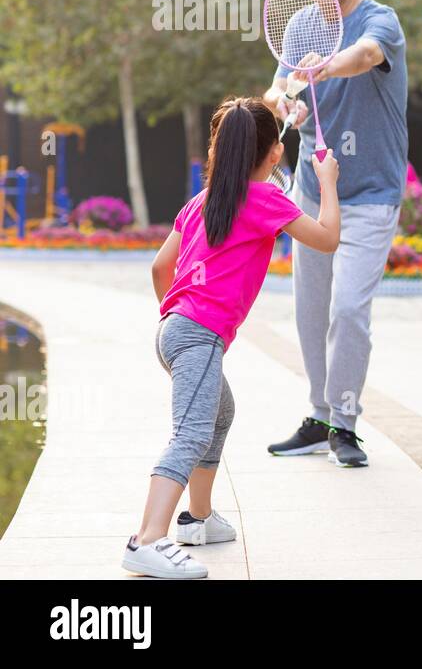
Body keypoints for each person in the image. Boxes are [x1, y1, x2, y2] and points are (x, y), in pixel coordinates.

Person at [123, 98, 339, 578]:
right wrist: (327, 183)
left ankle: (197, 519)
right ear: (273, 154)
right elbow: (326, 238)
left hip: (174, 330)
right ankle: (146, 540)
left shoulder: (200, 202)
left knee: (220, 412)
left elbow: (161, 266)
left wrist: (178, 316)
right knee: (191, 433)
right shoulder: (265, 200)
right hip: (196, 336)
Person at [264, 0, 408, 468]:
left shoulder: (379, 19)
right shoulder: (299, 25)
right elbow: (280, 84)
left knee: (348, 310)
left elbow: (366, 56)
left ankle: (345, 424)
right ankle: (321, 415)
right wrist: (283, 101)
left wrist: (324, 68)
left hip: (370, 191)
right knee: (310, 312)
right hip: (310, 193)